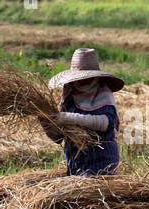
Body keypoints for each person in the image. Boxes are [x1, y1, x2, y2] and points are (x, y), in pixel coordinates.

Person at [41, 47, 125, 177]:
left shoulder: (102, 94)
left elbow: (106, 123)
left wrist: (66, 117)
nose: (81, 80)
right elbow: (59, 137)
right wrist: (46, 121)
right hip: (76, 161)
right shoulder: (69, 95)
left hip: (101, 161)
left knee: (83, 188)